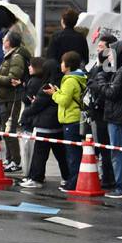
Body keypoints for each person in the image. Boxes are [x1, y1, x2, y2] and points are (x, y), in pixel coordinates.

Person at [96, 33, 122, 199]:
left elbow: (112, 93)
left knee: (119, 154)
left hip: (118, 118)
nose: (109, 57)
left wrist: (100, 79)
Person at [21, 57, 68, 189]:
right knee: (61, 154)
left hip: (45, 125)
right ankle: (67, 177)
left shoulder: (47, 86)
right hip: (58, 124)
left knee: (40, 153)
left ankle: (36, 178)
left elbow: (37, 106)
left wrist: (25, 114)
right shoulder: (62, 83)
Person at [0, 31, 30, 173]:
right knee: (5, 130)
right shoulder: (9, 56)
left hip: (13, 98)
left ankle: (16, 161)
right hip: (5, 97)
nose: (2, 40)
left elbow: (13, 78)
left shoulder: (16, 57)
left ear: (9, 42)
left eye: (4, 39)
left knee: (10, 130)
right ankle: (9, 159)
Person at [52, 50, 87, 191]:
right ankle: (76, 181)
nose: (61, 65)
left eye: (62, 62)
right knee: (76, 152)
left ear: (68, 65)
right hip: (77, 119)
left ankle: (73, 183)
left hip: (71, 119)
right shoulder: (79, 77)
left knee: (72, 154)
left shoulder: (69, 80)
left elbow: (65, 101)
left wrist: (54, 94)